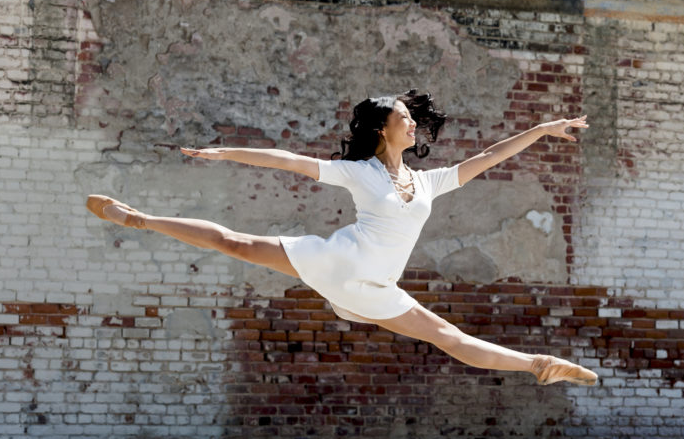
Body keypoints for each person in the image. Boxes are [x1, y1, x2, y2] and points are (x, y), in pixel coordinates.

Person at [86, 90, 597, 386]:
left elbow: (487, 159)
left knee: (450, 339)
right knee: (236, 243)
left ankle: (539, 365)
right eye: (405, 119)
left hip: (376, 288)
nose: (414, 124)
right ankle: (140, 219)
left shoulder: (428, 182)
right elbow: (287, 162)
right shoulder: (358, 172)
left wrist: (543, 129)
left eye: (413, 119)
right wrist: (224, 154)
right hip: (337, 261)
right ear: (382, 128)